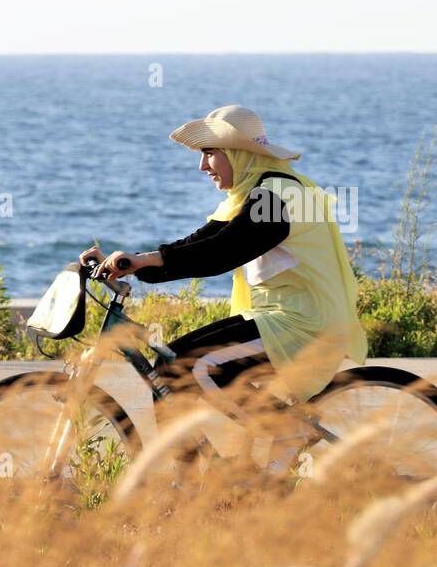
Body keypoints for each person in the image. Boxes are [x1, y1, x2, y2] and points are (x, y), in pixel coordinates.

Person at [79, 105, 367, 472]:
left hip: (305, 325)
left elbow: (224, 251)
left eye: (209, 153)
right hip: (276, 319)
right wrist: (137, 264)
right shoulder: (255, 193)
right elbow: (203, 241)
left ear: (238, 153)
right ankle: (198, 483)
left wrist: (147, 261)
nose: (203, 167)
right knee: (171, 367)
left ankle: (281, 434)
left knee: (188, 366)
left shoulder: (279, 196)